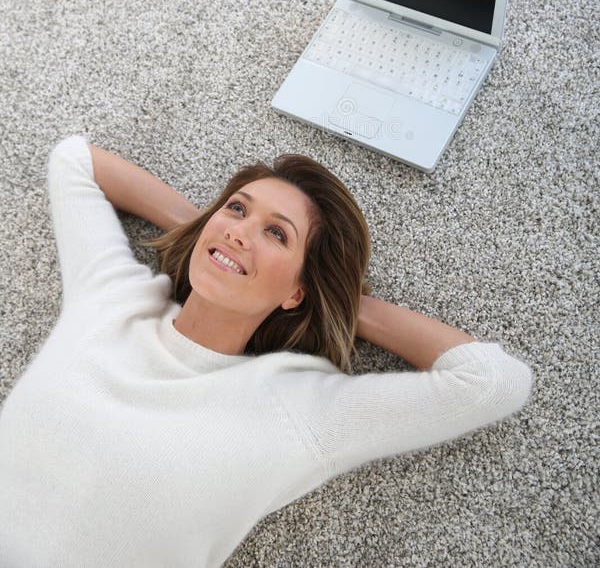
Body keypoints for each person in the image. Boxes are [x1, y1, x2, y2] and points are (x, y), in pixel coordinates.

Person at [0, 135, 532, 568]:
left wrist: (344, 303)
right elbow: (75, 160)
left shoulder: (294, 410)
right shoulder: (113, 298)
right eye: (236, 209)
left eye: (276, 234)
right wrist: (205, 231)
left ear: (297, 292)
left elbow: (492, 380)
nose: (238, 232)